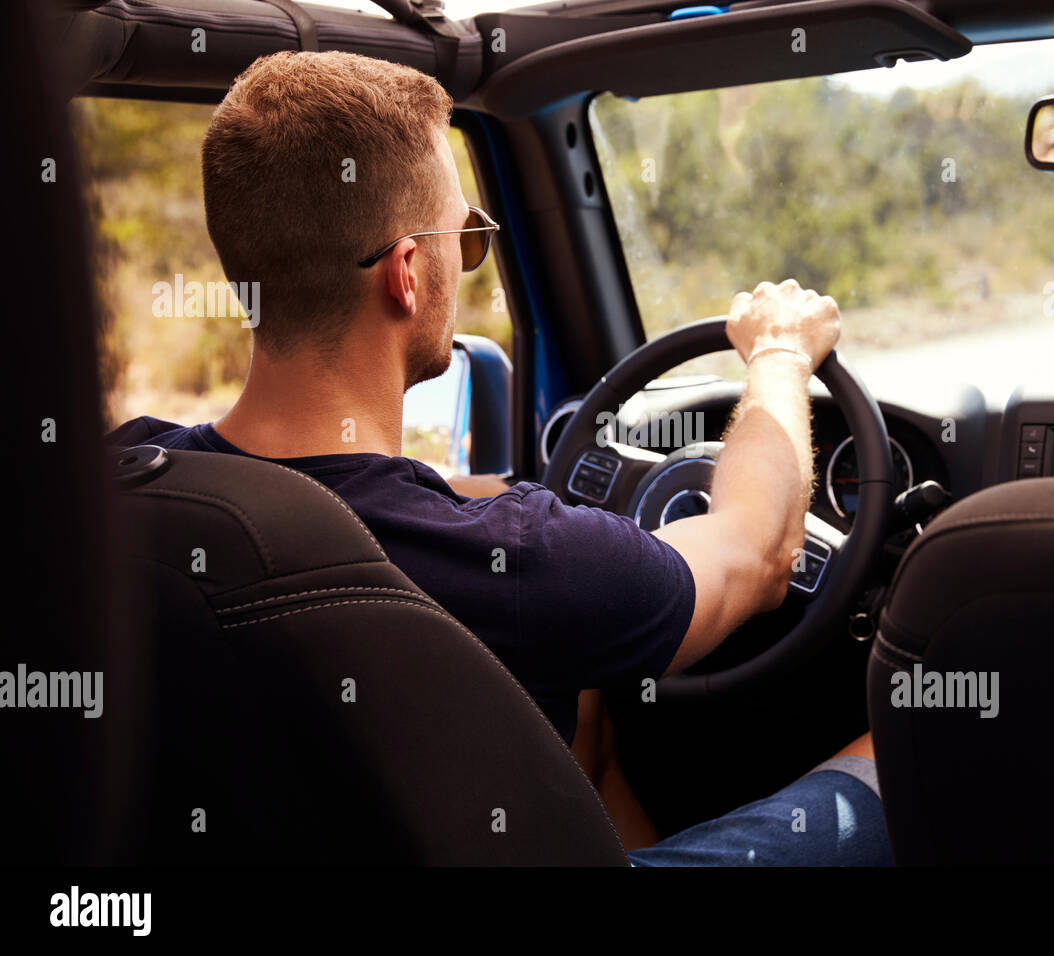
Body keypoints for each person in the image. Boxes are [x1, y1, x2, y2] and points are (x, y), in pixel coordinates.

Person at [109, 50, 890, 866]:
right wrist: (779, 356)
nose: (468, 255)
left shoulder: (132, 477)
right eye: (468, 236)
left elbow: (342, 492)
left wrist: (478, 492)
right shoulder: (520, 559)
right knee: (902, 748)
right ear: (408, 273)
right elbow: (759, 551)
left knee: (587, 720)